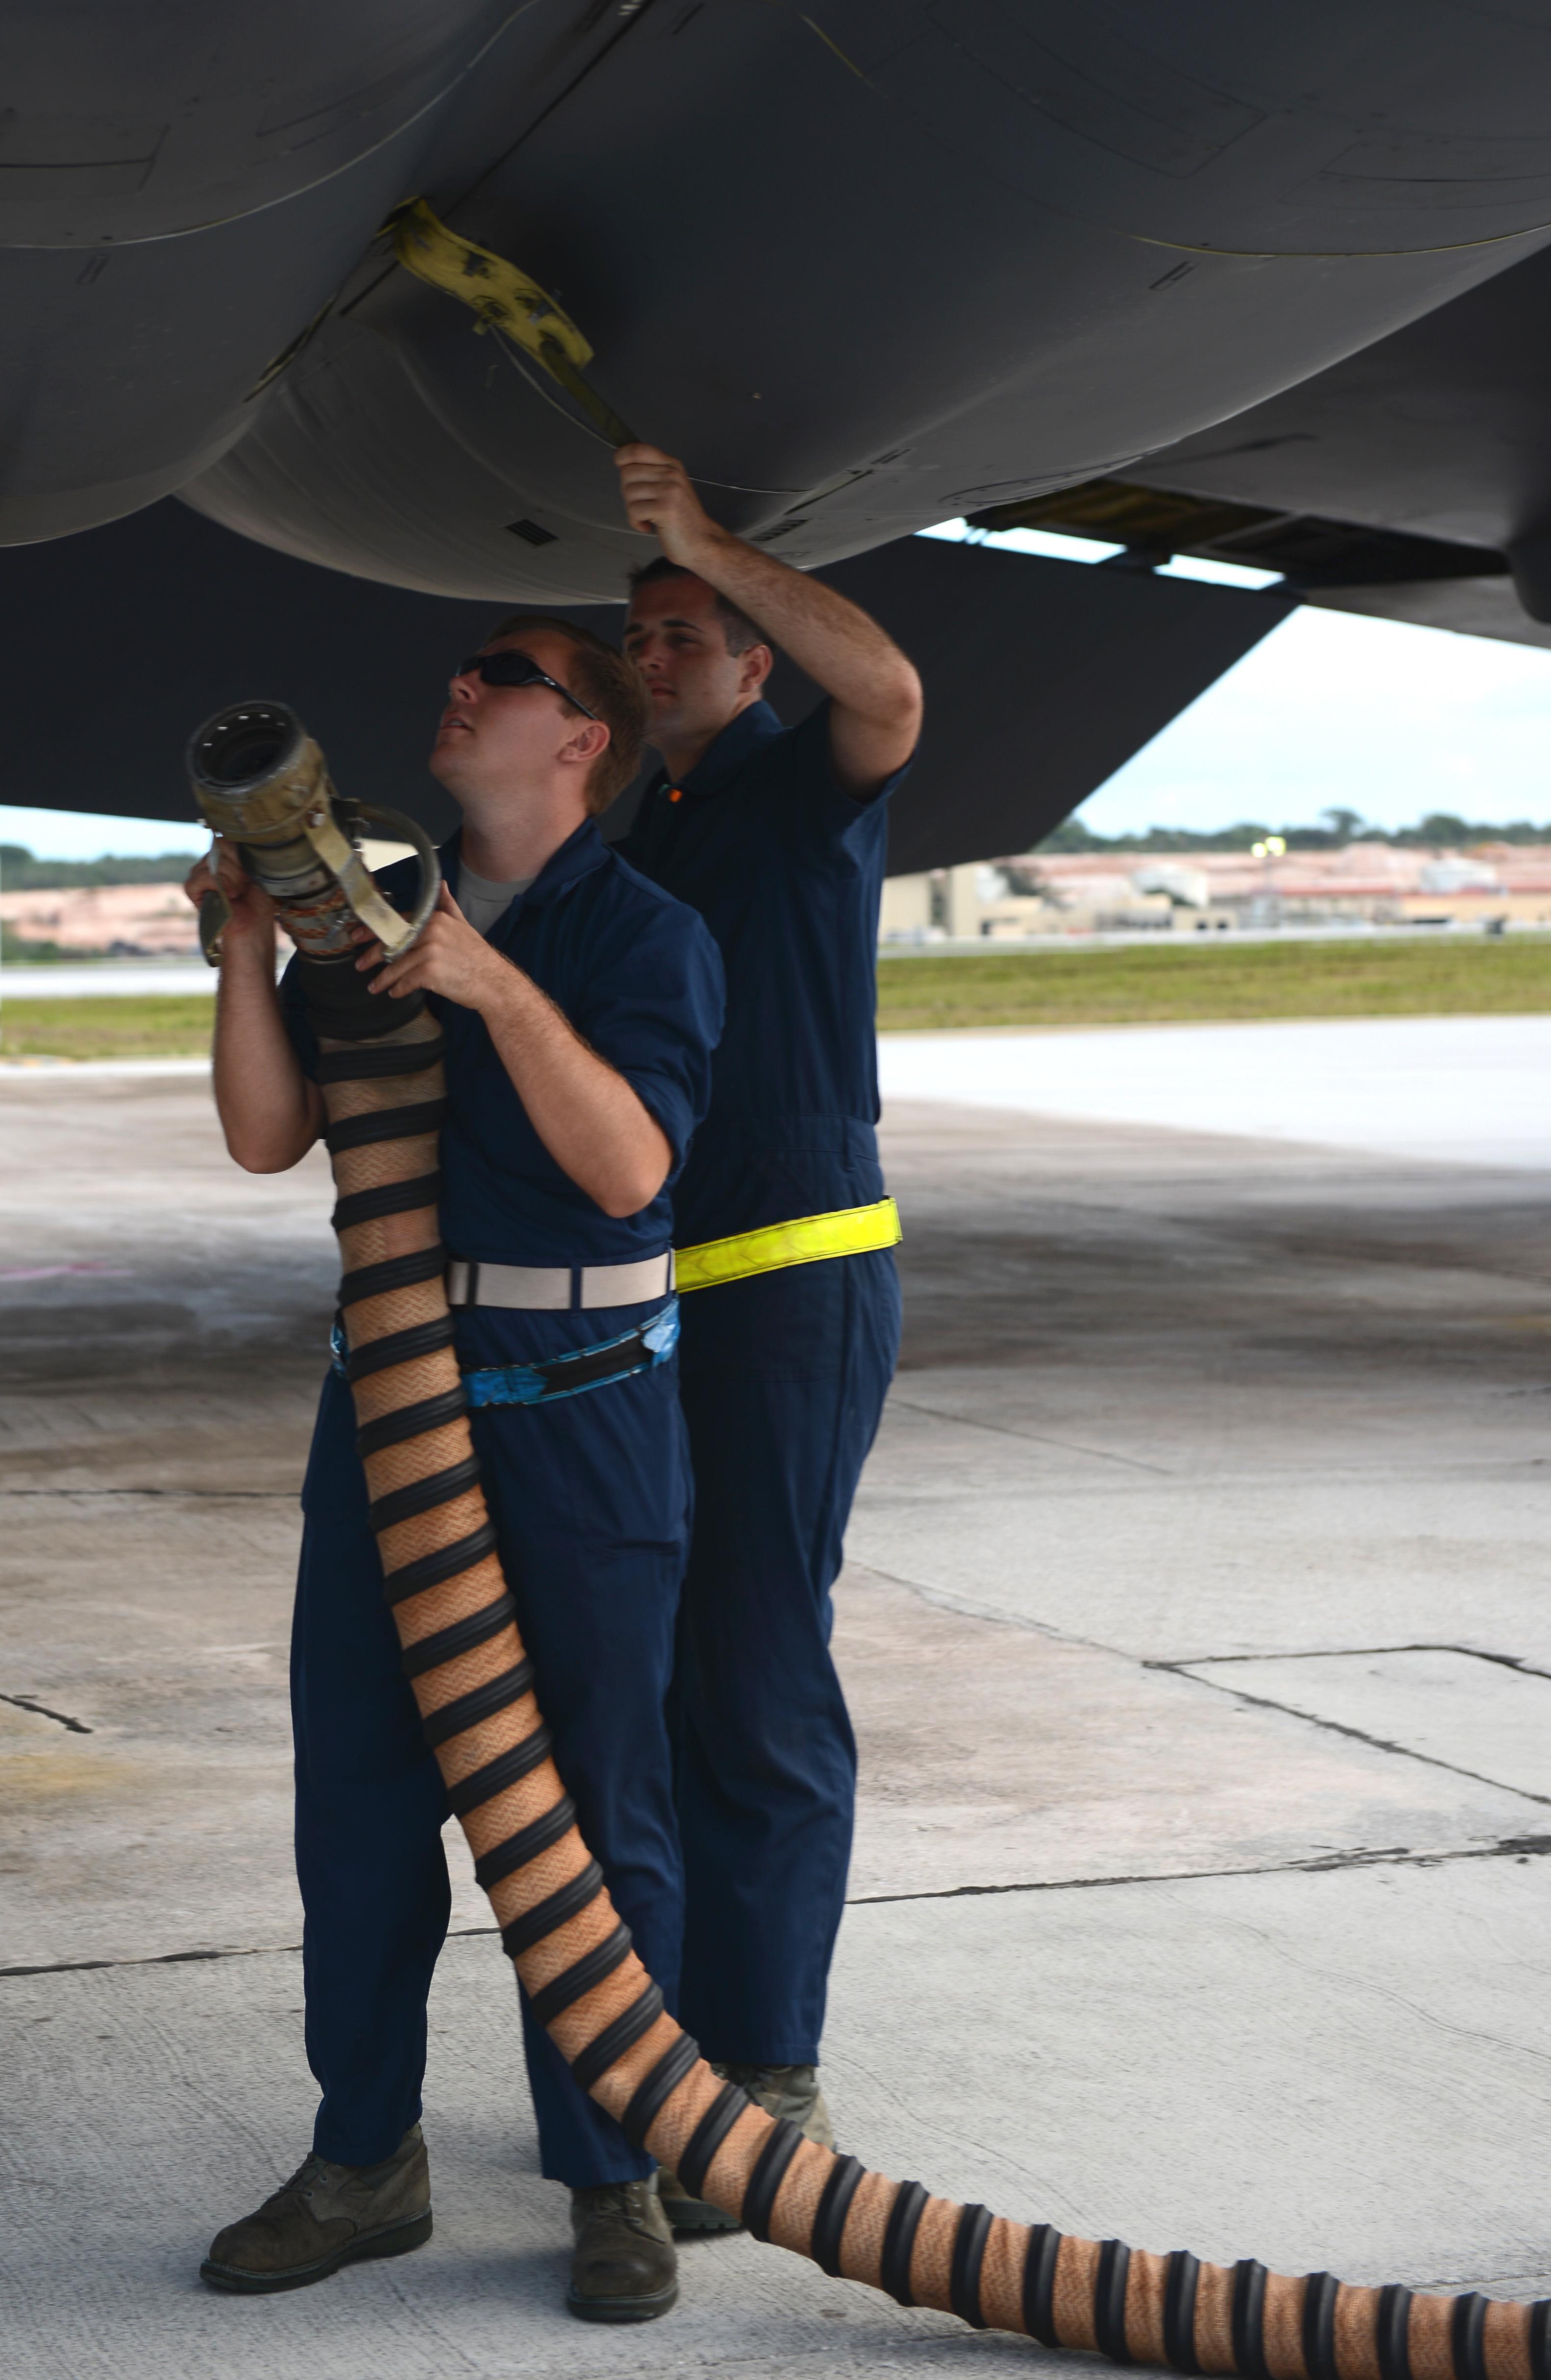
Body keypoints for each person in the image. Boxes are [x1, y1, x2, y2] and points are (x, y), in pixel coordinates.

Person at [191, 617, 724, 2321]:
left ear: (583, 739)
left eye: (507, 675)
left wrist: (490, 984)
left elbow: (629, 1170)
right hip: (388, 1409)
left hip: (579, 1412)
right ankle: (365, 2160)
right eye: (464, 671)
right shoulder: (368, 910)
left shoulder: (644, 936)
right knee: (356, 1803)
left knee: (598, 1813)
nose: (463, 687)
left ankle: (615, 2174)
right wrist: (244, 948)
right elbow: (268, 1136)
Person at [615, 441, 924, 2230]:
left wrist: (711, 543)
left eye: (689, 635)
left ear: (751, 664)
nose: (658, 654)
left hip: (793, 1290)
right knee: (665, 1680)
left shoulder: (798, 787)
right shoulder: (646, 825)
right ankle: (680, 2048)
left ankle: (774, 2077)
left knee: (756, 1673)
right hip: (667, 1301)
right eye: (642, 636)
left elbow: (888, 692)